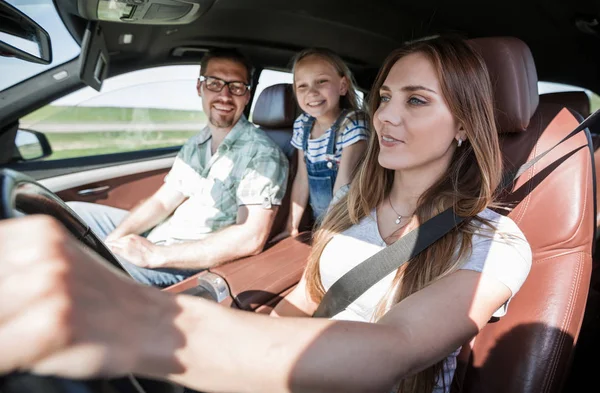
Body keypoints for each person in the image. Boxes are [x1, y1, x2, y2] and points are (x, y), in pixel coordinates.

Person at [0, 36, 531, 393]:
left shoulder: (495, 242)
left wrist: (137, 322)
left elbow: (395, 348)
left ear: (463, 123)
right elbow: (306, 301)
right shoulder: (353, 207)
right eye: (386, 96)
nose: (387, 114)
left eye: (417, 101)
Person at [67, 48, 289, 287]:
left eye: (236, 87)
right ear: (199, 87)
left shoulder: (262, 154)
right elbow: (163, 202)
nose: (225, 96)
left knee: (79, 267)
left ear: (246, 96)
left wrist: (154, 255)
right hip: (162, 235)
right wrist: (114, 240)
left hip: (186, 259)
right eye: (214, 83)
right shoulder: (197, 143)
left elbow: (250, 237)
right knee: (69, 212)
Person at [271, 48, 369, 242]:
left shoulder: (353, 123)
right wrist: (291, 226)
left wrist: (327, 235)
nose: (312, 92)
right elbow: (302, 178)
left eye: (321, 81)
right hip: (323, 221)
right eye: (302, 86)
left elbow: (343, 188)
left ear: (342, 86)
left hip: (350, 221)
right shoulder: (302, 124)